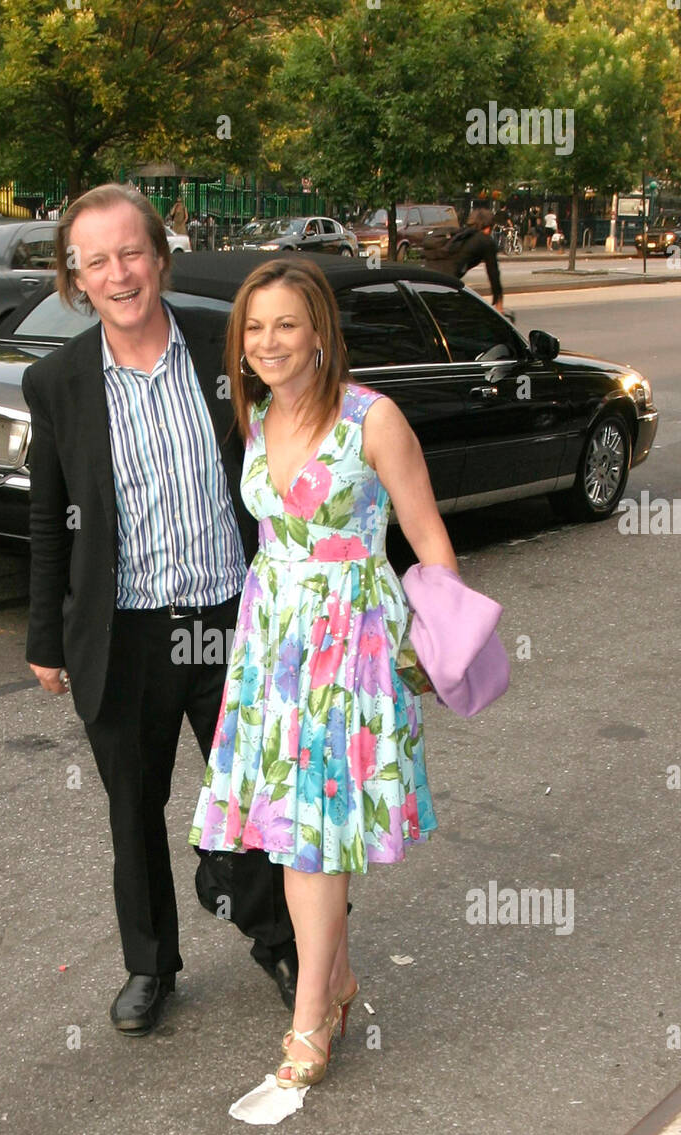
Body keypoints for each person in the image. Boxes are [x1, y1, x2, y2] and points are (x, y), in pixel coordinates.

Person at [22, 185, 298, 1037]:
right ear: (76, 278)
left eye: (130, 253)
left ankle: (282, 940)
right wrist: (44, 636)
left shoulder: (229, 349)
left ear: (160, 257)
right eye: (95, 260)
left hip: (230, 620)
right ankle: (152, 964)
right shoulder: (58, 381)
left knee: (257, 797)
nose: (118, 273)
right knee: (133, 811)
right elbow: (47, 514)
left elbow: (300, 452)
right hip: (126, 630)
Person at [189, 258, 459, 1088]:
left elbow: (431, 540)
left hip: (353, 648)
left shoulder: (372, 419)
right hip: (272, 644)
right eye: (255, 327)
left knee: (313, 834)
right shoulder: (256, 412)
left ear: (319, 333)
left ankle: (311, 1019)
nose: (269, 342)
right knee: (289, 826)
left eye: (286, 325)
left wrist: (441, 649)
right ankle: (335, 983)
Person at [431, 207, 504, 315]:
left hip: (428, 279)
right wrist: (499, 304)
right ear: (489, 227)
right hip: (445, 285)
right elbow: (493, 274)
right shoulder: (485, 240)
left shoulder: (462, 235)